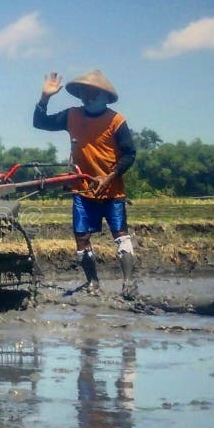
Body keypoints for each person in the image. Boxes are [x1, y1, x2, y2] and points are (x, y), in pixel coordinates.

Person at [33, 69, 137, 297]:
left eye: (92, 93)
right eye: (83, 93)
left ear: (104, 97)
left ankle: (128, 283)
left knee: (121, 235)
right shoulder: (72, 115)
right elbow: (40, 123)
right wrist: (45, 97)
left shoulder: (116, 121)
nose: (87, 97)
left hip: (111, 189)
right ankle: (93, 283)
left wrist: (109, 177)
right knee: (81, 238)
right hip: (82, 188)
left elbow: (130, 154)